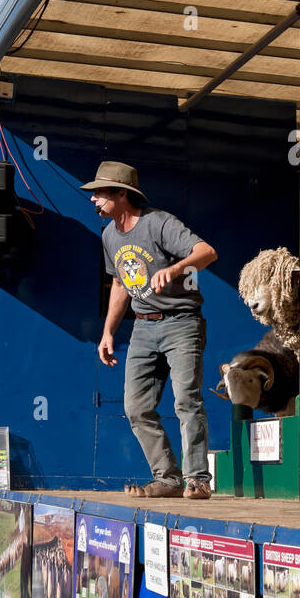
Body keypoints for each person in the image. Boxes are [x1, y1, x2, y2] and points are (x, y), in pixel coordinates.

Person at [83, 161, 218, 499]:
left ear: (121, 194)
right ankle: (169, 478)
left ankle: (198, 480)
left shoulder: (158, 223)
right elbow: (119, 283)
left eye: (99, 193)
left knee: (186, 401)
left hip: (182, 323)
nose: (93, 199)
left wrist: (175, 269)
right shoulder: (109, 236)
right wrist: (108, 332)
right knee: (136, 407)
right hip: (143, 328)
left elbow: (206, 252)